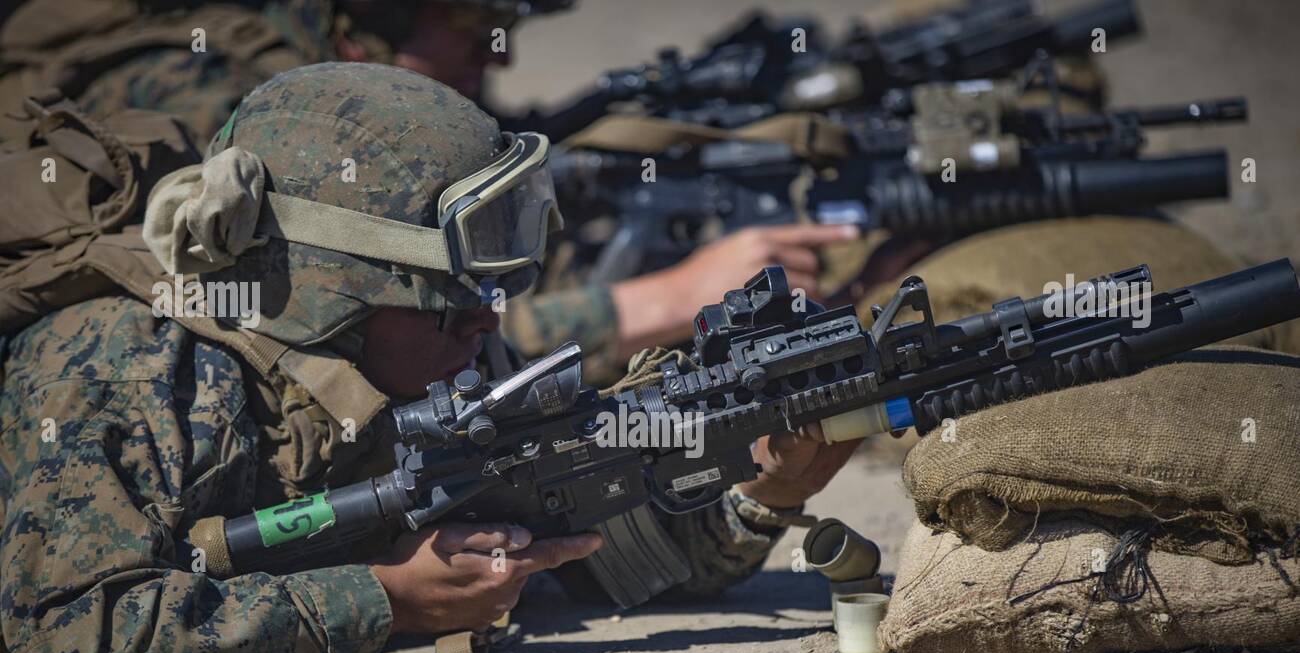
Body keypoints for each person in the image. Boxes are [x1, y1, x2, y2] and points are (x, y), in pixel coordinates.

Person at [0, 63, 858, 653]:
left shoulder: (453, 351)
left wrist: (762, 490)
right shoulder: (120, 365)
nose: (490, 313)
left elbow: (603, 556)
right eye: (446, 293)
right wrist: (387, 599)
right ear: (333, 289)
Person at [0, 0, 859, 384]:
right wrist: (656, 303)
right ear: (374, 18)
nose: (499, 54)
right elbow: (356, 317)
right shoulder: (229, 104)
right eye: (475, 23)